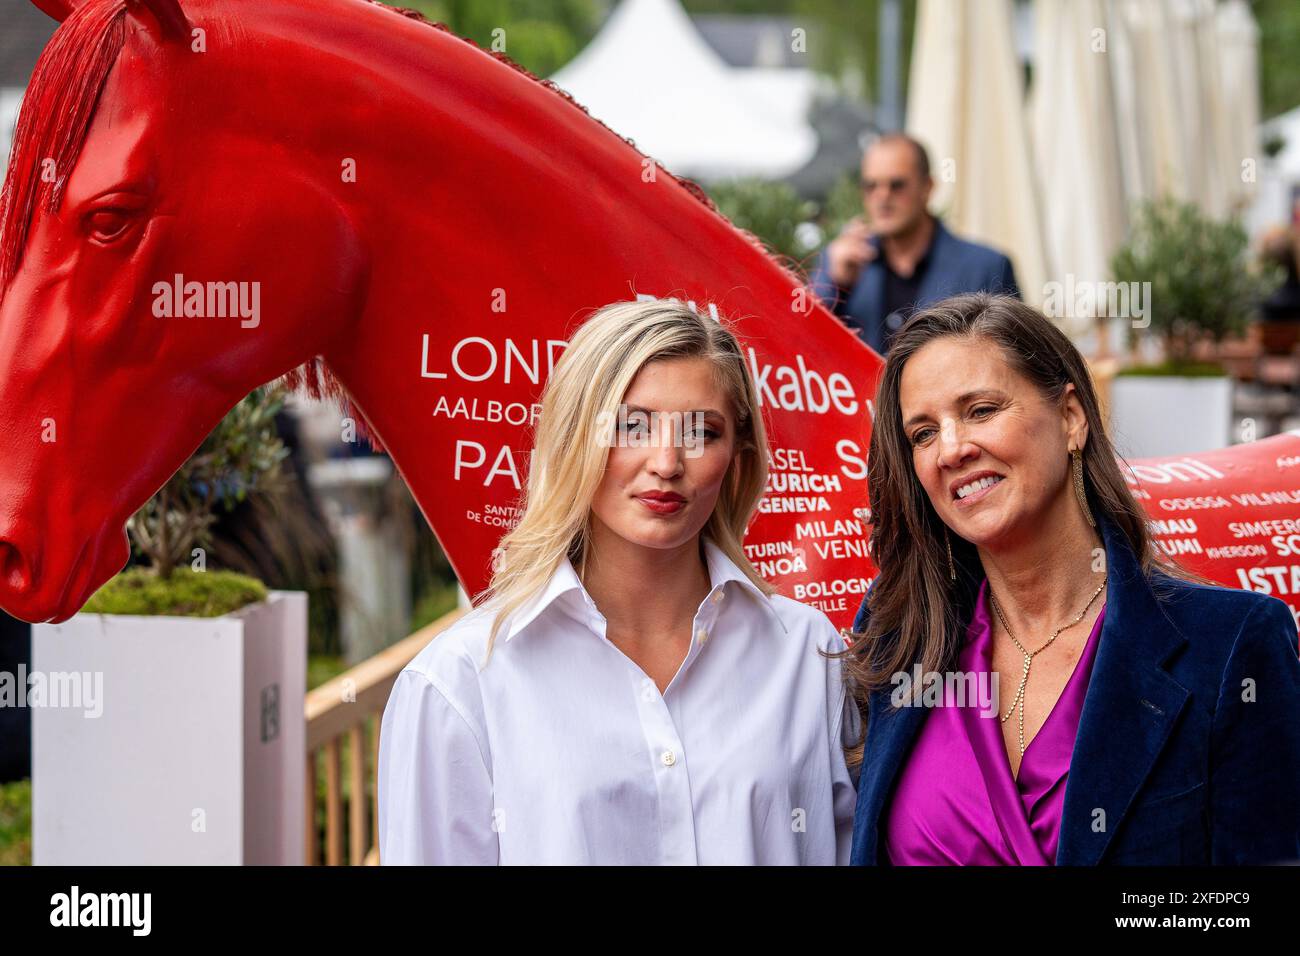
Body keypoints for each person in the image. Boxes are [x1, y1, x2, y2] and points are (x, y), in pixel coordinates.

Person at [378, 299, 859, 865]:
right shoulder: (460, 683)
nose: (666, 461)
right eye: (632, 425)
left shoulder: (807, 651)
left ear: (737, 455)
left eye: (702, 431)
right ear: (574, 436)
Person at [842, 293, 1300, 866]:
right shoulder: (898, 632)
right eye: (923, 434)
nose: (952, 449)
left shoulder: (1233, 643)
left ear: (1071, 417)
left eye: (981, 410)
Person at [808, 134, 1020, 355]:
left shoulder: (987, 267)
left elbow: (1016, 361)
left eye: (897, 185)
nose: (882, 197)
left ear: (927, 187)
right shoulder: (841, 262)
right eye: (871, 186)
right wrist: (835, 284)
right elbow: (802, 341)